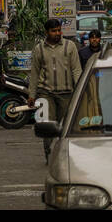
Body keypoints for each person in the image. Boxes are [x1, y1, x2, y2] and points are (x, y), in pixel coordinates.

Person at [28, 18, 82, 160]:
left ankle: (64, 154)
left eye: (59, 30)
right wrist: (31, 95)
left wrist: (81, 90)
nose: (57, 33)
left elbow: (76, 70)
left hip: (66, 93)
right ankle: (49, 152)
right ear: (47, 32)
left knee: (65, 125)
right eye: (54, 31)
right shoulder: (39, 48)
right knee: (47, 124)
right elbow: (34, 73)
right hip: (46, 93)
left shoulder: (69, 47)